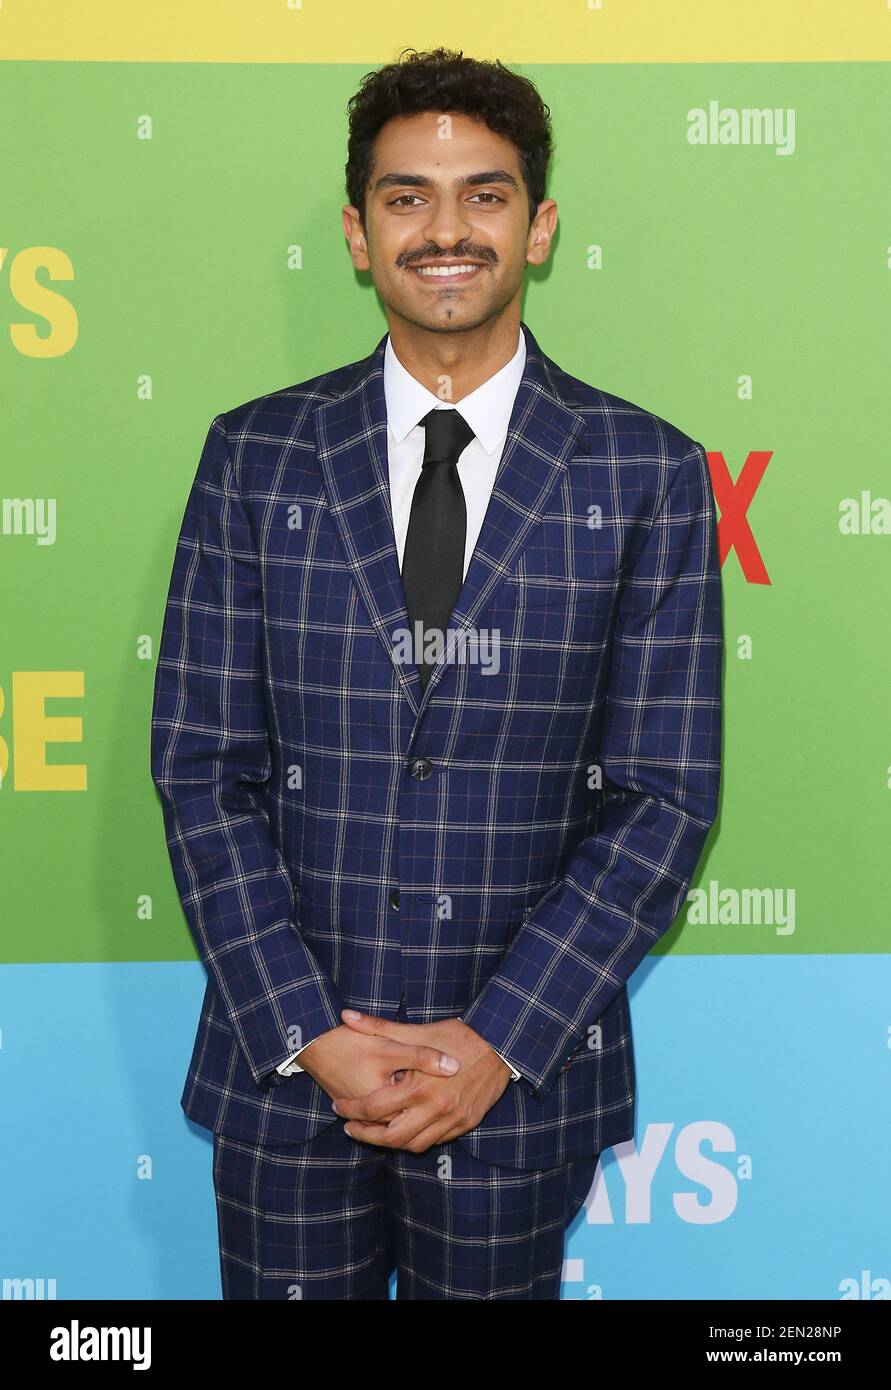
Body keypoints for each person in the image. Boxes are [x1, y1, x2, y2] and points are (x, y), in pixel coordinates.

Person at [150, 46, 723, 1301]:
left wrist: (496, 1042)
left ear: (541, 224)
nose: (446, 230)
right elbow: (202, 768)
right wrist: (307, 1030)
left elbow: (664, 798)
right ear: (359, 234)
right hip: (286, 1075)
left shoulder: (649, 473)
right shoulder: (254, 456)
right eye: (408, 197)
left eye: (485, 194)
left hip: (518, 1088)